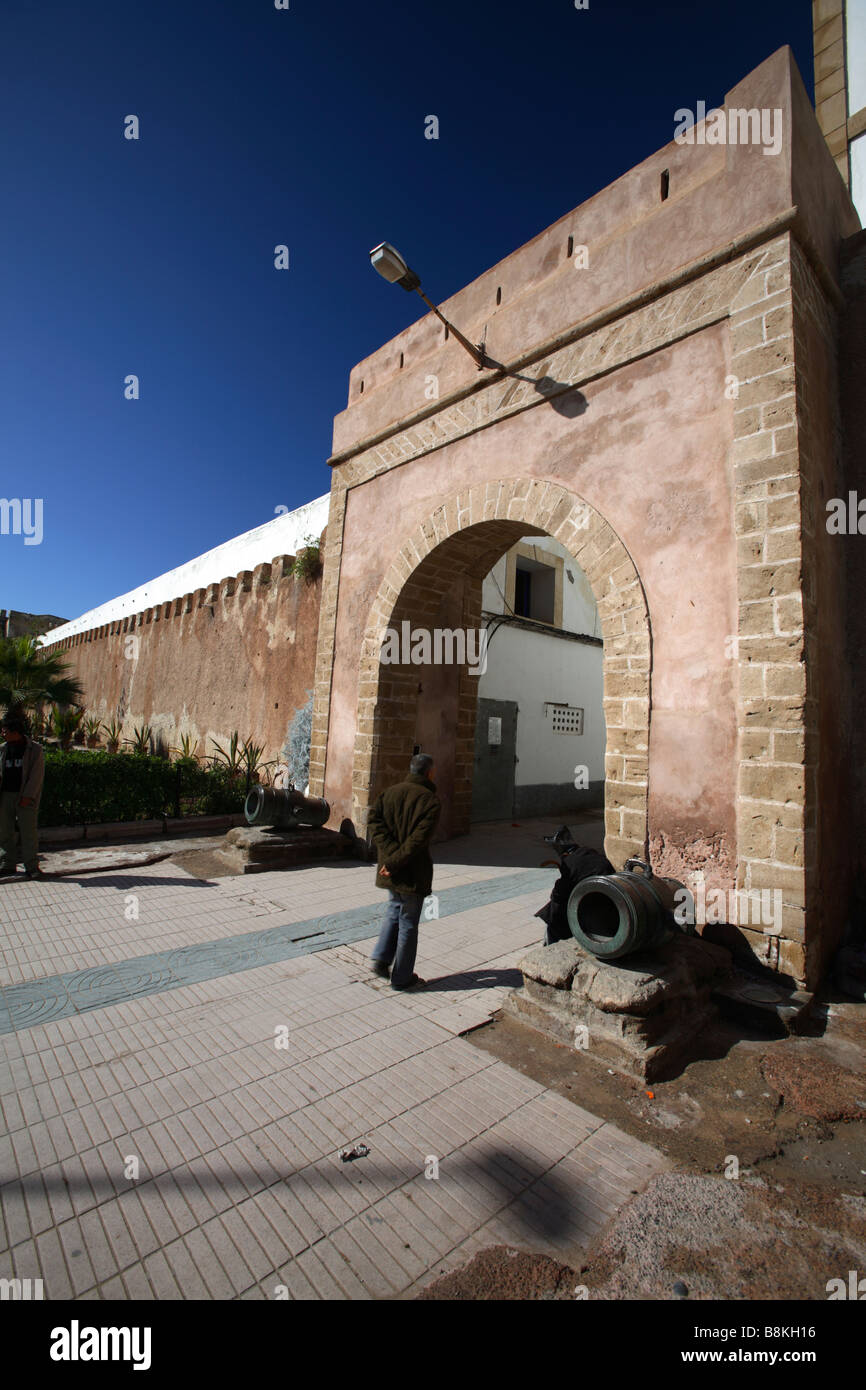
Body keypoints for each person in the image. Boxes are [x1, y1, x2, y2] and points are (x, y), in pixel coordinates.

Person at [368, 752, 441, 990]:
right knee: (408, 921)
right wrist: (396, 860)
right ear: (429, 772)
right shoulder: (430, 800)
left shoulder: (389, 792)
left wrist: (389, 858)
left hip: (392, 869)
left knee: (393, 910)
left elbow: (374, 822)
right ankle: (402, 977)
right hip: (411, 871)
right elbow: (417, 842)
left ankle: (380, 959)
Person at [0, 713, 46, 880]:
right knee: (5, 832)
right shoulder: (3, 749)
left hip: (25, 797)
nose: (2, 733)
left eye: (5, 730)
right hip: (5, 795)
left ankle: (32, 866)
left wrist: (28, 795)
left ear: (16, 731)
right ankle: (7, 864)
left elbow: (36, 775)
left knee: (28, 833)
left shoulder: (35, 749)